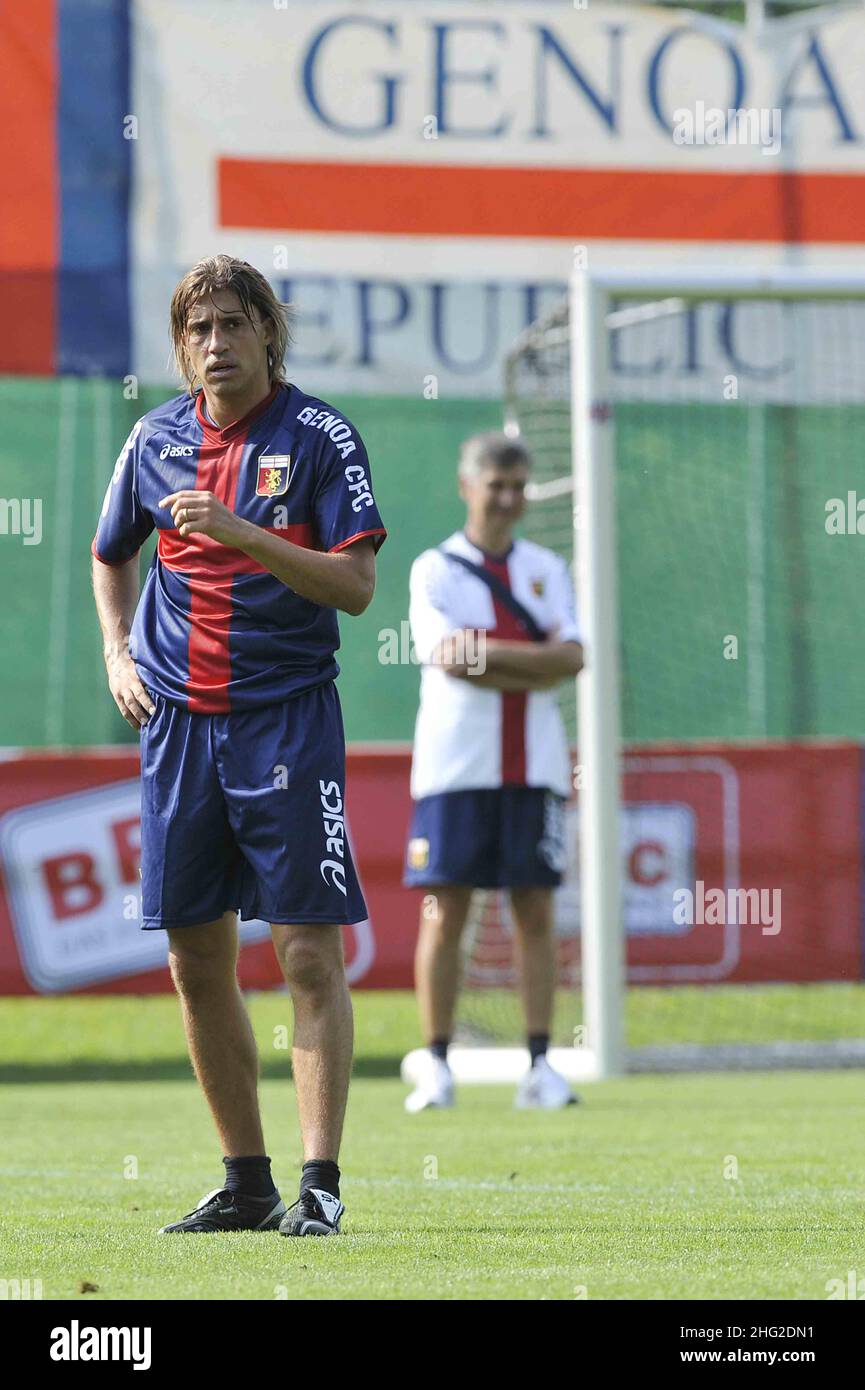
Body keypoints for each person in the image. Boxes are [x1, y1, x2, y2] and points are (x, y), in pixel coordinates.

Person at [91, 254, 386, 1235]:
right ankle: (246, 1180)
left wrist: (242, 533)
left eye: (231, 325)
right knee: (195, 958)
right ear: (182, 346)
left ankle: (320, 1185)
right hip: (177, 729)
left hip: (285, 723)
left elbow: (353, 587)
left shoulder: (317, 437)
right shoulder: (154, 438)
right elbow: (110, 553)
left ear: (268, 333)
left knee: (307, 954)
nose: (214, 345)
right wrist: (117, 650)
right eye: (197, 330)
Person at [404, 431, 582, 1112]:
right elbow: (447, 656)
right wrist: (534, 656)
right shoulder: (435, 569)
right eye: (494, 486)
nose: (507, 500)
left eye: (517, 488)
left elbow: (574, 658)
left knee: (534, 908)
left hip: (533, 766)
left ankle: (539, 1065)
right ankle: (438, 1064)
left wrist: (496, 655)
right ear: (466, 487)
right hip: (455, 768)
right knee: (445, 909)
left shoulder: (546, 567)